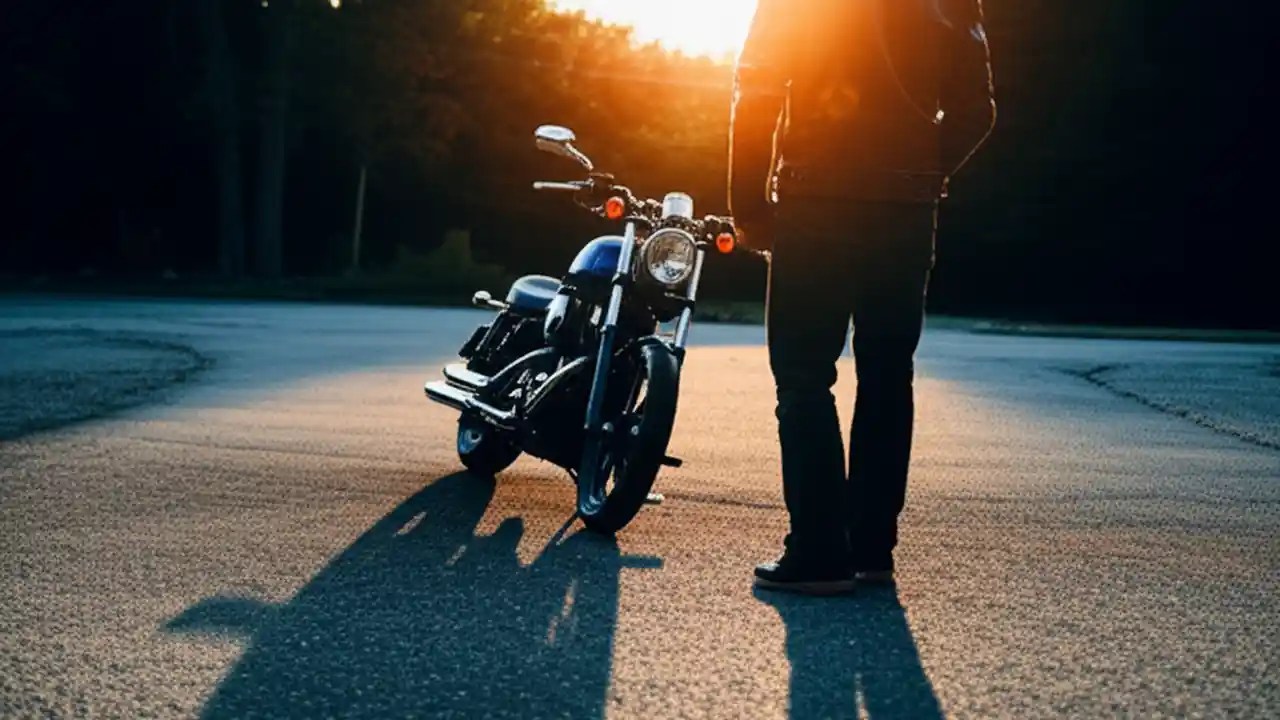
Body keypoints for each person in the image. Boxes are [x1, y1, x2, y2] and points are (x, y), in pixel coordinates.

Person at [730, 0, 996, 594]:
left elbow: (758, 83)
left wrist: (746, 204)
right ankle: (871, 547)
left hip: (814, 197)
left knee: (803, 375)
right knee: (887, 371)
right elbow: (977, 111)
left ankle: (819, 552)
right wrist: (920, 173)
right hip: (905, 211)